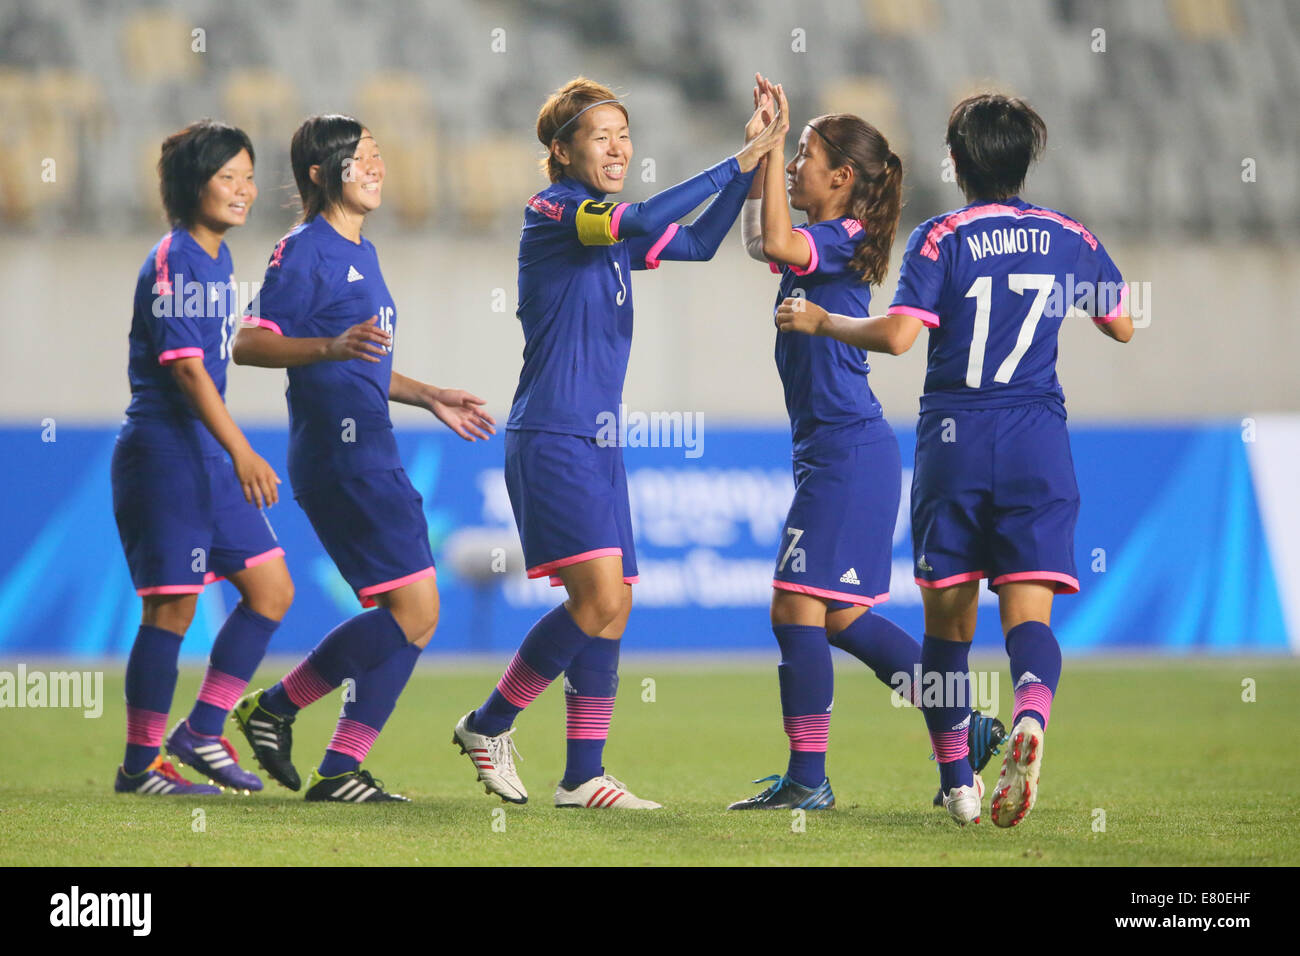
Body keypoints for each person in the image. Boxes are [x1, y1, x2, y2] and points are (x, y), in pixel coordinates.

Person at [775, 92, 1134, 826]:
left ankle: (959, 787)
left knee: (948, 632)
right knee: (1029, 615)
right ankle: (1030, 712)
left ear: (958, 161)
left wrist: (822, 318)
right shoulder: (1068, 234)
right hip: (1037, 436)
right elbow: (1122, 325)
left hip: (956, 443)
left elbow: (902, 336)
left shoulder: (942, 237)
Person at [452, 76, 785, 810]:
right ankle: (488, 724)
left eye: (624, 135)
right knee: (596, 596)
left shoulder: (605, 234)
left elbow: (695, 241)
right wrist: (735, 161)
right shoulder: (558, 212)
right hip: (552, 432)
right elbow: (641, 218)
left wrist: (758, 160)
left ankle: (582, 776)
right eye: (600, 136)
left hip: (598, 442)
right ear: (562, 149)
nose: (617, 147)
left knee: (616, 601)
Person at [729, 77, 1003, 812]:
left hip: (848, 451)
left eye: (806, 157)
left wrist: (773, 141)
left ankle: (808, 780)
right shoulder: (824, 240)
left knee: (794, 608)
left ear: (842, 178)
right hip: (837, 450)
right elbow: (763, 240)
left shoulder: (839, 238)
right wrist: (765, 151)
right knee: (841, 617)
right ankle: (964, 727)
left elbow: (778, 239)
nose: (794, 169)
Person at [230, 115, 496, 803]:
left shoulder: (362, 252)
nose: (377, 168)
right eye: (362, 158)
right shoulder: (305, 250)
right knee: (416, 612)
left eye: (379, 156)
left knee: (410, 615)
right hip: (340, 457)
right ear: (321, 174)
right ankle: (278, 709)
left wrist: (428, 392)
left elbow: (361, 359)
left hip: (369, 449)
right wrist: (328, 347)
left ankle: (337, 766)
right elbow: (250, 344)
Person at [112, 120, 292, 797]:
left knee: (272, 591)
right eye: (228, 178)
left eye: (248, 177)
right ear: (194, 184)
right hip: (164, 455)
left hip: (205, 456)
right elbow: (187, 371)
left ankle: (202, 732)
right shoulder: (176, 257)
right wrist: (243, 449)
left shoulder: (217, 258)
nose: (244, 190)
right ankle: (139, 766)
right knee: (172, 612)